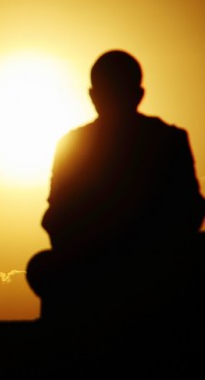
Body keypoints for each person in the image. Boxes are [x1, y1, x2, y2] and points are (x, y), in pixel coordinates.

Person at [26, 49, 205, 324]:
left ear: (93, 95)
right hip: (125, 264)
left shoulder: (73, 145)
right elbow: (191, 213)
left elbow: (54, 219)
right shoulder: (169, 139)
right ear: (139, 94)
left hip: (135, 264)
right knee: (43, 266)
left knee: (46, 267)